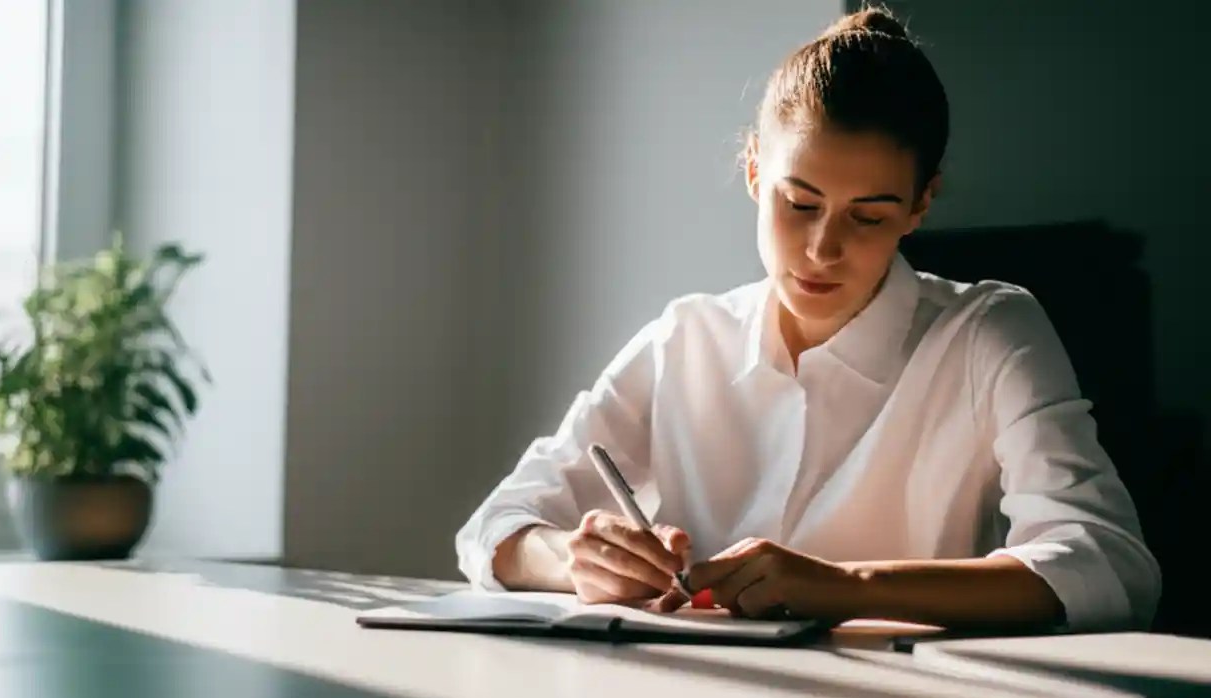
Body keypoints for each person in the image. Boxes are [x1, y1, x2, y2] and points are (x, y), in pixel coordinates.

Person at [455, 7, 1160, 631]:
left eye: (870, 215)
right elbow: (492, 528)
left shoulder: (988, 333)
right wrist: (571, 559)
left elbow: (1110, 563)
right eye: (799, 203)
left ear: (921, 205)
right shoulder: (686, 339)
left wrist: (848, 585)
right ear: (756, 172)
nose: (824, 248)